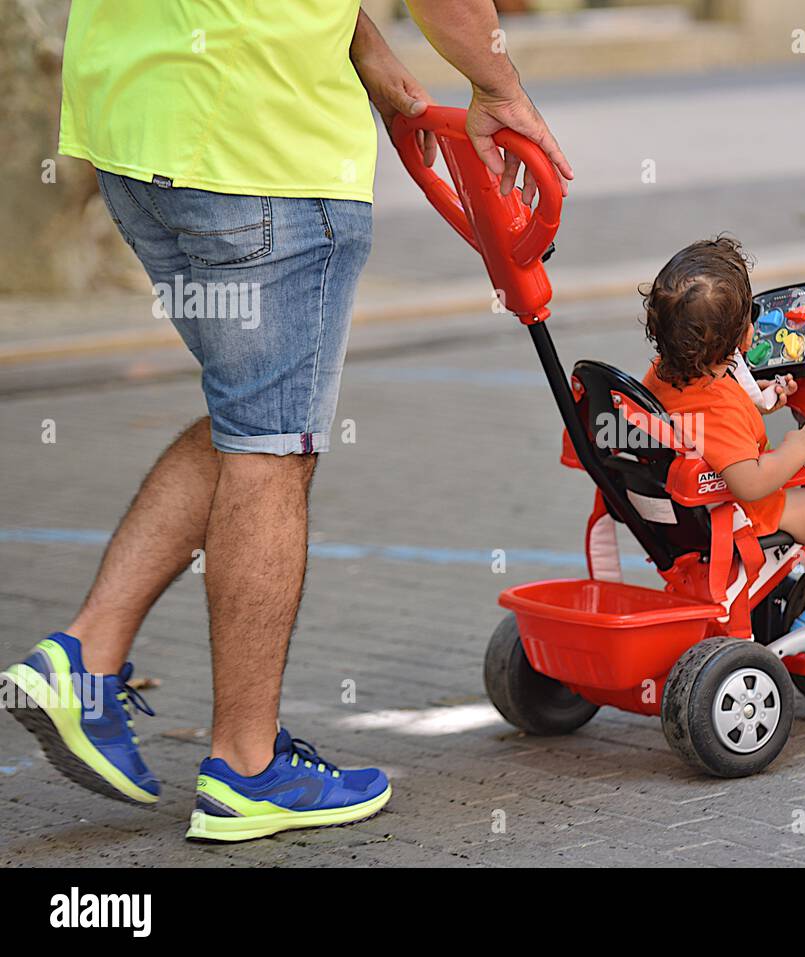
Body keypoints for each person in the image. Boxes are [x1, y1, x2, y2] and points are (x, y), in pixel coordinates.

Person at [0, 0, 573, 843]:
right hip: (260, 150)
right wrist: (498, 87)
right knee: (271, 447)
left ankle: (84, 657)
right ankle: (246, 765)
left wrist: (364, 43)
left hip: (128, 125)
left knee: (249, 411)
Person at [641, 237, 805, 672]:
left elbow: (710, 419)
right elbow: (750, 482)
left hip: (687, 514)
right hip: (744, 512)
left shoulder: (662, 375)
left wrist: (764, 397)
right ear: (744, 337)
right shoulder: (719, 407)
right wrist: (796, 450)